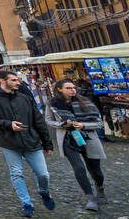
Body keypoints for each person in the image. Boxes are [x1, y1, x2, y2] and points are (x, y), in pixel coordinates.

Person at [0, 68, 55, 218]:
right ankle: (27, 204)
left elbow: (38, 121)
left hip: (31, 140)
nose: (18, 83)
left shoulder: (24, 98)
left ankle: (44, 191)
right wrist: (8, 124)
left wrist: (47, 143)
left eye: (17, 80)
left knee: (43, 174)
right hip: (9, 143)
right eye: (14, 80)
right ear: (2, 81)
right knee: (16, 173)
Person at [45, 79, 108, 212]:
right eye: (68, 88)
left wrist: (84, 125)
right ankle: (90, 198)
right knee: (79, 168)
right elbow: (49, 120)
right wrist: (61, 125)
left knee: (95, 170)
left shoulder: (86, 102)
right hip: (68, 138)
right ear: (59, 89)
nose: (73, 90)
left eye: (74, 87)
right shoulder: (52, 104)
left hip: (88, 137)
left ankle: (100, 187)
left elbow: (99, 123)